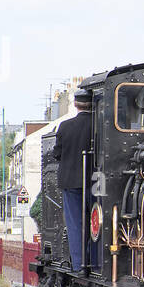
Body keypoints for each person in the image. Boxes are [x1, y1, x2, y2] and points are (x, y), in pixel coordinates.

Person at [52, 89, 100, 273]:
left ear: (75, 104)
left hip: (71, 181)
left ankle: (80, 263)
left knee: (75, 224)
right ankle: (95, 262)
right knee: (97, 221)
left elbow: (57, 153)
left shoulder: (65, 126)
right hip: (96, 181)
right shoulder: (99, 126)